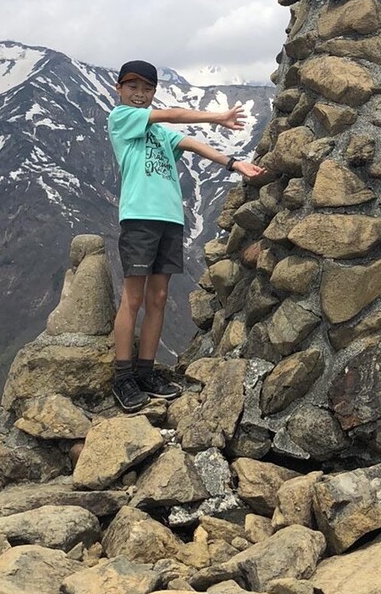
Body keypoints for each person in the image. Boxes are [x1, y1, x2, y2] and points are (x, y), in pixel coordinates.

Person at [107, 59, 265, 413]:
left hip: (169, 219)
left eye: (147, 89)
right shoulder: (121, 119)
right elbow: (172, 116)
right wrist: (217, 117)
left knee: (159, 297)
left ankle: (146, 371)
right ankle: (123, 376)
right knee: (133, 298)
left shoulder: (160, 136)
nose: (139, 94)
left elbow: (192, 145)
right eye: (132, 87)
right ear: (119, 89)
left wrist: (234, 163)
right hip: (140, 218)